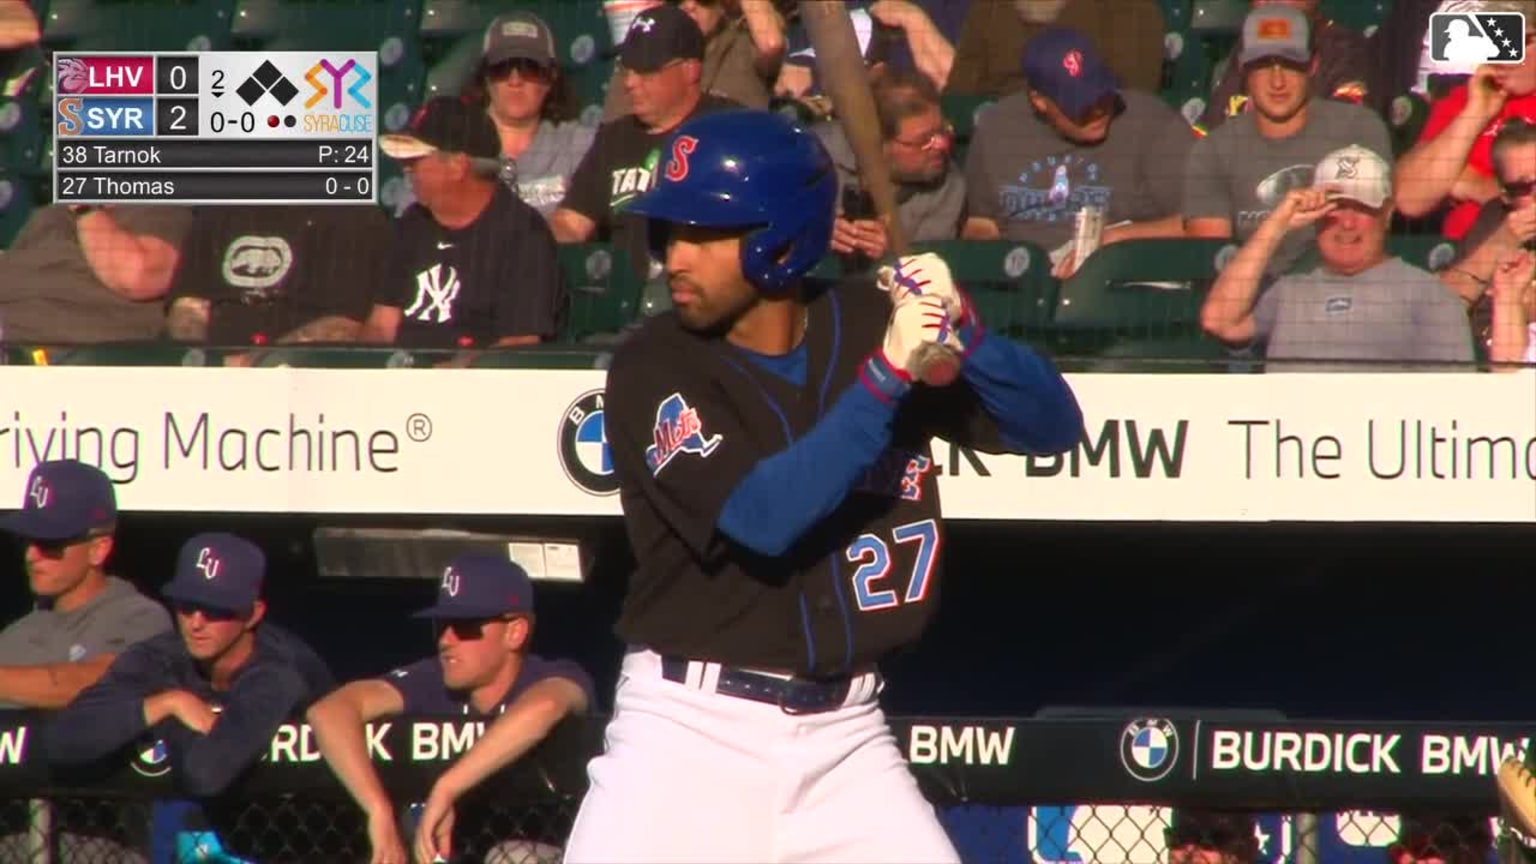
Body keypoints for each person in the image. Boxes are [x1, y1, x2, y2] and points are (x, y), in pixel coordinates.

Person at [558, 109, 1084, 862]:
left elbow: (1053, 428)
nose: (675, 257)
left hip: (848, 740)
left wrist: (969, 331)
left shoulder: (873, 321)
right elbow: (763, 517)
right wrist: (889, 379)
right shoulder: (653, 366)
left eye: (704, 234)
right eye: (670, 232)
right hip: (686, 735)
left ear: (779, 240)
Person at [307, 553, 594, 864]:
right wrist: (378, 809)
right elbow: (329, 712)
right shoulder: (435, 679)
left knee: (511, 857)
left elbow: (546, 706)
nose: (446, 639)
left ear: (515, 632)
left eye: (465, 626)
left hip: (554, 851)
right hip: (457, 853)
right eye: (441, 625)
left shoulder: (553, 676)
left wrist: (447, 788)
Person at [42, 532, 334, 799]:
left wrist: (165, 725)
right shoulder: (159, 656)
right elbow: (61, 740)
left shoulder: (279, 670)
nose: (196, 623)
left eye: (214, 609)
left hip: (306, 832)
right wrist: (170, 704)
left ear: (252, 614)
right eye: (186, 605)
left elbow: (205, 774)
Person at [1200, 145, 1475, 369]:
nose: (1347, 222)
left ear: (1387, 213)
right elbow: (1219, 321)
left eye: (1361, 208)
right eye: (1336, 207)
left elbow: (1450, 403)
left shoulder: (1427, 294)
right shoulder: (1288, 290)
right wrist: (1277, 224)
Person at [367, 96, 565, 351]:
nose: (406, 168)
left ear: (458, 166)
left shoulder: (523, 235)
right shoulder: (413, 224)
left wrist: (456, 375)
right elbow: (381, 326)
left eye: (415, 159)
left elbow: (519, 345)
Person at [0, 460, 169, 710]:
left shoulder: (139, 619)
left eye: (50, 543)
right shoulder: (12, 638)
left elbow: (101, 684)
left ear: (98, 549)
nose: (31, 555)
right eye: (27, 540)